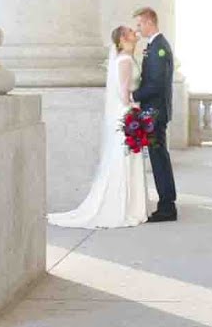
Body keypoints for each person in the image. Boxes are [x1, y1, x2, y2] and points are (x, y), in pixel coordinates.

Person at [48, 25, 148, 229]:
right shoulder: (126, 60)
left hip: (125, 113)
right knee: (125, 158)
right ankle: (126, 207)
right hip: (127, 113)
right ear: (121, 40)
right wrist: (135, 109)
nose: (134, 33)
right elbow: (123, 93)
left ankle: (130, 205)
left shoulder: (126, 59)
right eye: (130, 32)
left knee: (126, 157)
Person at [132, 6, 178, 223]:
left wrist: (134, 95)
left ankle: (167, 206)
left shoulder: (159, 48)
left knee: (159, 159)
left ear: (150, 22)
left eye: (140, 24)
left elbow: (156, 84)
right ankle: (166, 202)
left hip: (155, 113)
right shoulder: (155, 46)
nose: (138, 29)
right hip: (153, 112)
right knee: (159, 157)